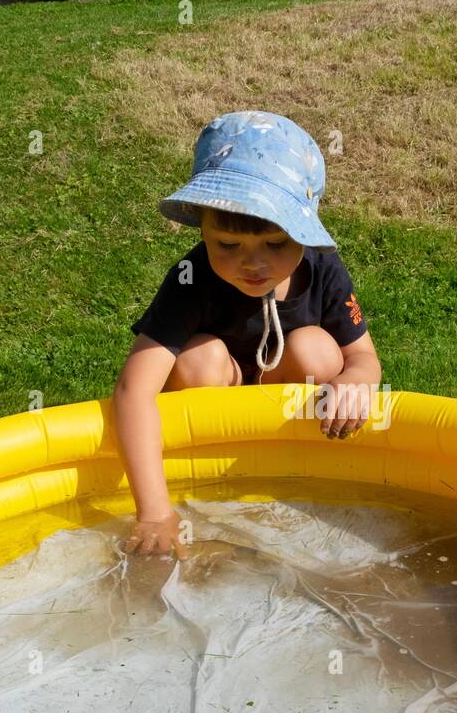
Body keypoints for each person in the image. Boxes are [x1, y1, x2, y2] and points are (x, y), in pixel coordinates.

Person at [112, 111, 383, 558]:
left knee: (315, 349)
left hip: (289, 411)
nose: (252, 264)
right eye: (227, 245)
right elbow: (132, 390)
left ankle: (301, 466)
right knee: (199, 358)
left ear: (303, 233)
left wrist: (358, 380)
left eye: (275, 244)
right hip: (218, 404)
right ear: (203, 230)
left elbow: (365, 359)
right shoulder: (190, 277)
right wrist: (155, 512)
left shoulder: (323, 269)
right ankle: (216, 472)